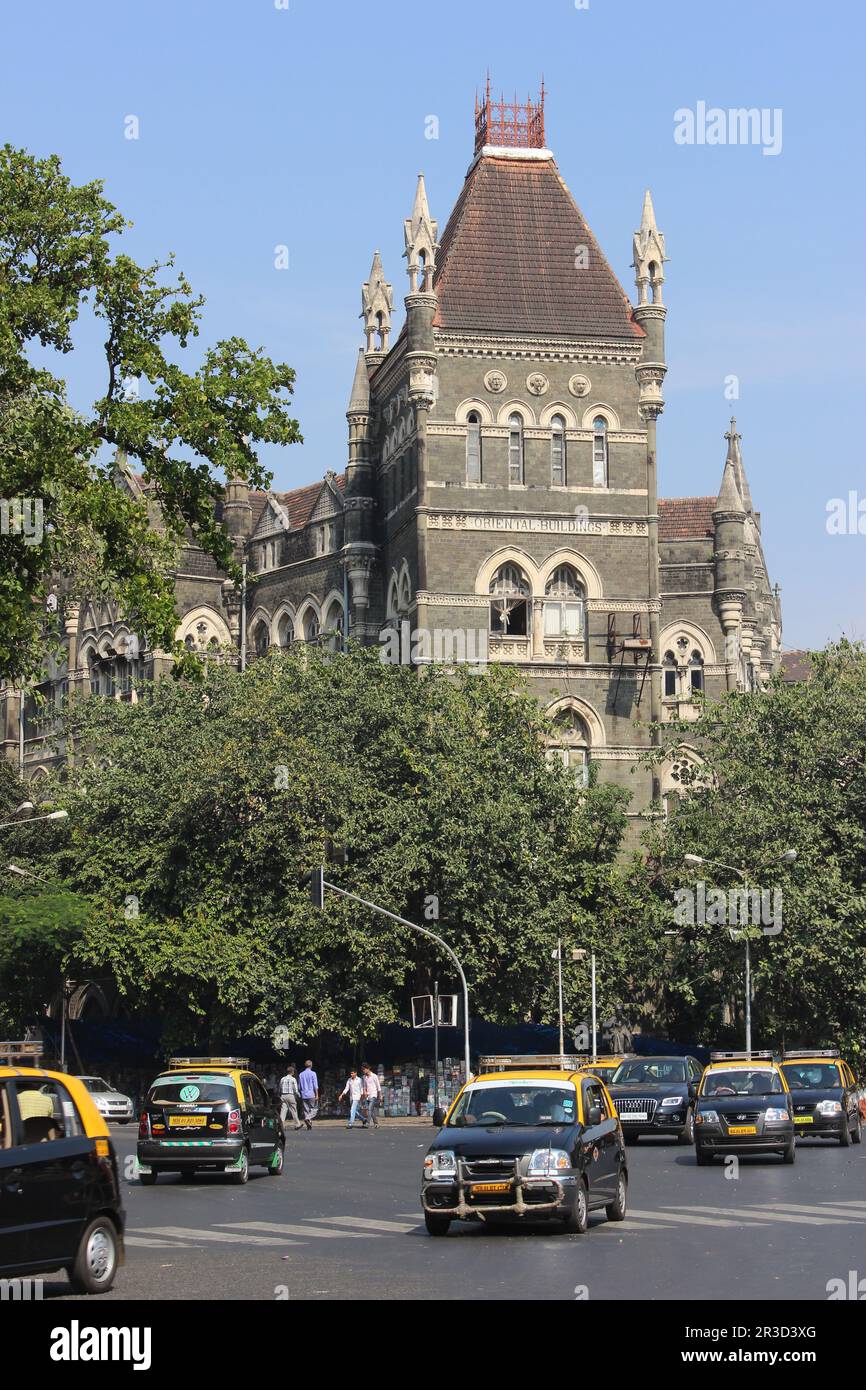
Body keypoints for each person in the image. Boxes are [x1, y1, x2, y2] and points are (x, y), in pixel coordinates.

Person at [279, 1064, 302, 1130]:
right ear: (292, 1072)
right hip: (290, 1095)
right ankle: (297, 1125)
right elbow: (295, 1089)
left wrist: (280, 1094)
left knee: (283, 1111)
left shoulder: (282, 1079)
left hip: (283, 1095)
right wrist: (298, 1095)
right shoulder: (293, 1079)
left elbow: (280, 1088)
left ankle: (281, 1125)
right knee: (293, 1110)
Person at [298, 1059, 319, 1130]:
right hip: (311, 1093)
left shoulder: (301, 1074)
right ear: (311, 1065)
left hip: (304, 1093)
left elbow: (299, 1086)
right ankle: (308, 1118)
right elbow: (315, 1085)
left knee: (306, 1109)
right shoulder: (313, 1073)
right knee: (314, 1108)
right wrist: (317, 1094)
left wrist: (301, 1092)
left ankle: (309, 1124)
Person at [360, 1063, 381, 1129]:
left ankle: (367, 1123)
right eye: (362, 1070)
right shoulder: (364, 1077)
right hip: (367, 1096)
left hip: (373, 1095)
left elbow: (378, 1087)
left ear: (368, 1069)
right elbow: (364, 1086)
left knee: (369, 1109)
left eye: (364, 1069)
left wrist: (379, 1096)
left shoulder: (374, 1076)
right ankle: (376, 1123)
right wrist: (364, 1092)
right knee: (370, 1110)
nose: (363, 1071)